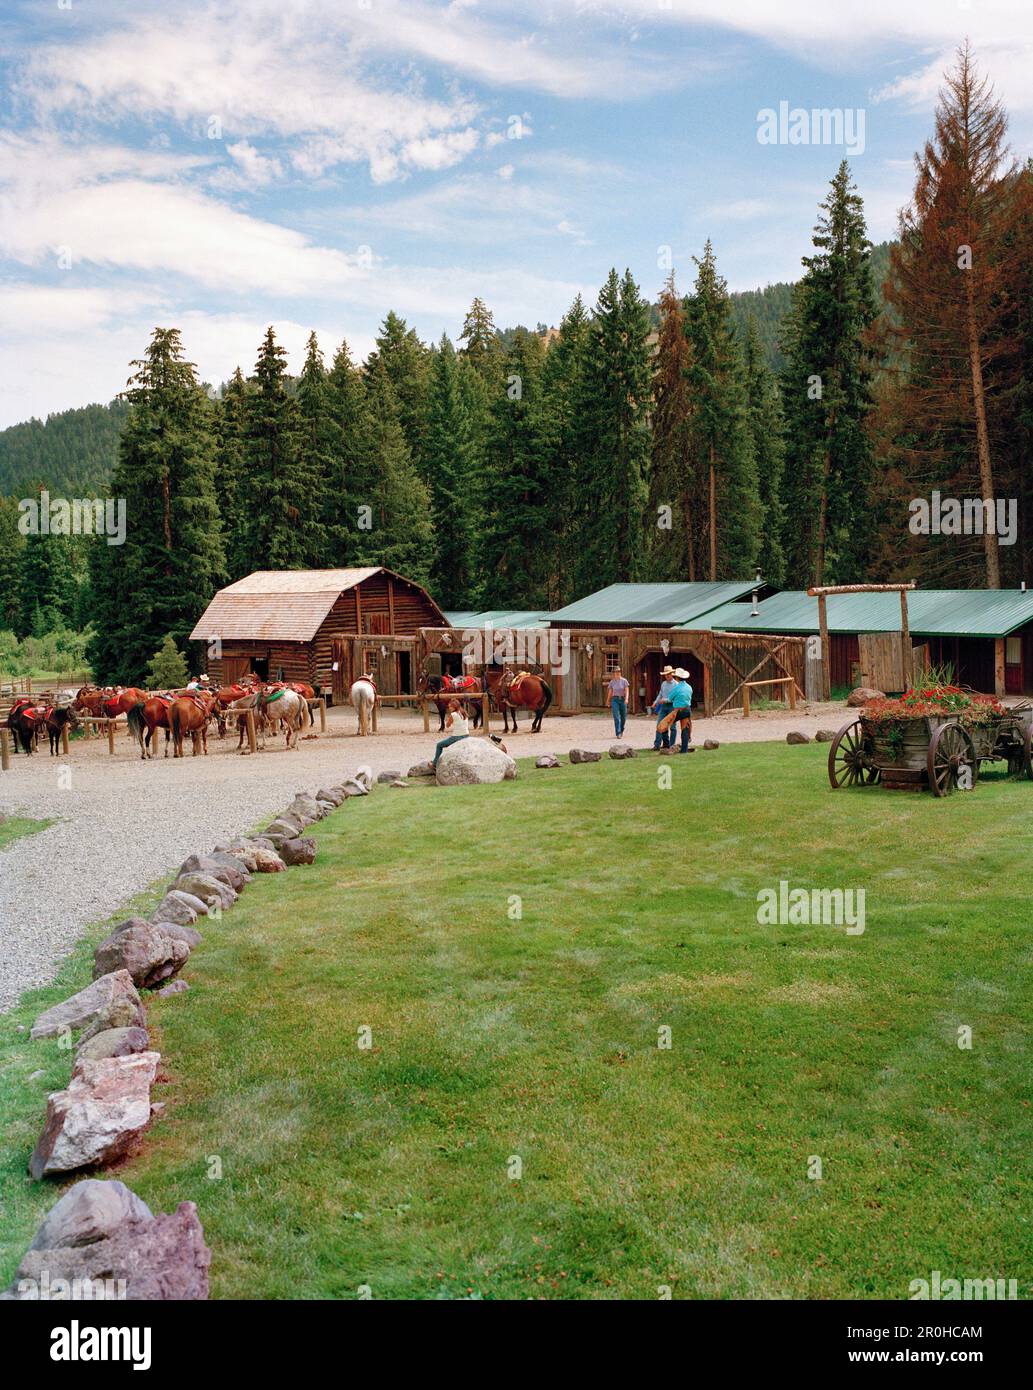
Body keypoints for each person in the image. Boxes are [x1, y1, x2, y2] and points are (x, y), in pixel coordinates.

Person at [664, 667, 694, 754]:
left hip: (677, 710)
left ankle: (666, 745)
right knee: (684, 729)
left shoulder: (677, 688)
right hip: (687, 709)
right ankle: (684, 750)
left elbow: (670, 698)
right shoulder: (689, 687)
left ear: (677, 677)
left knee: (664, 725)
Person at [432, 698, 470, 767]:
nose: (449, 708)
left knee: (439, 745)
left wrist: (450, 719)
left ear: (454, 707)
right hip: (466, 735)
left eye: (450, 707)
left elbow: (447, 725)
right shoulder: (464, 712)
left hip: (457, 737)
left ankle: (435, 763)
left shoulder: (453, 714)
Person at [651, 664, 677, 751]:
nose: (667, 676)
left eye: (668, 674)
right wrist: (655, 702)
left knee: (673, 727)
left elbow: (675, 698)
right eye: (665, 674)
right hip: (663, 707)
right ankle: (658, 745)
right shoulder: (663, 684)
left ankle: (672, 745)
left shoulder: (676, 685)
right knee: (660, 725)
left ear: (672, 674)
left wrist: (665, 700)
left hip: (672, 707)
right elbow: (660, 694)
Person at [605, 665, 630, 738]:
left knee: (623, 717)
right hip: (614, 700)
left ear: (620, 672)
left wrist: (626, 699)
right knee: (616, 717)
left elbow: (627, 690)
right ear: (614, 673)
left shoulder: (624, 681)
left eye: (618, 672)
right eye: (616, 672)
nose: (617, 673)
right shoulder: (612, 682)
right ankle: (618, 733)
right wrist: (608, 701)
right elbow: (610, 692)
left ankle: (621, 729)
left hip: (622, 699)